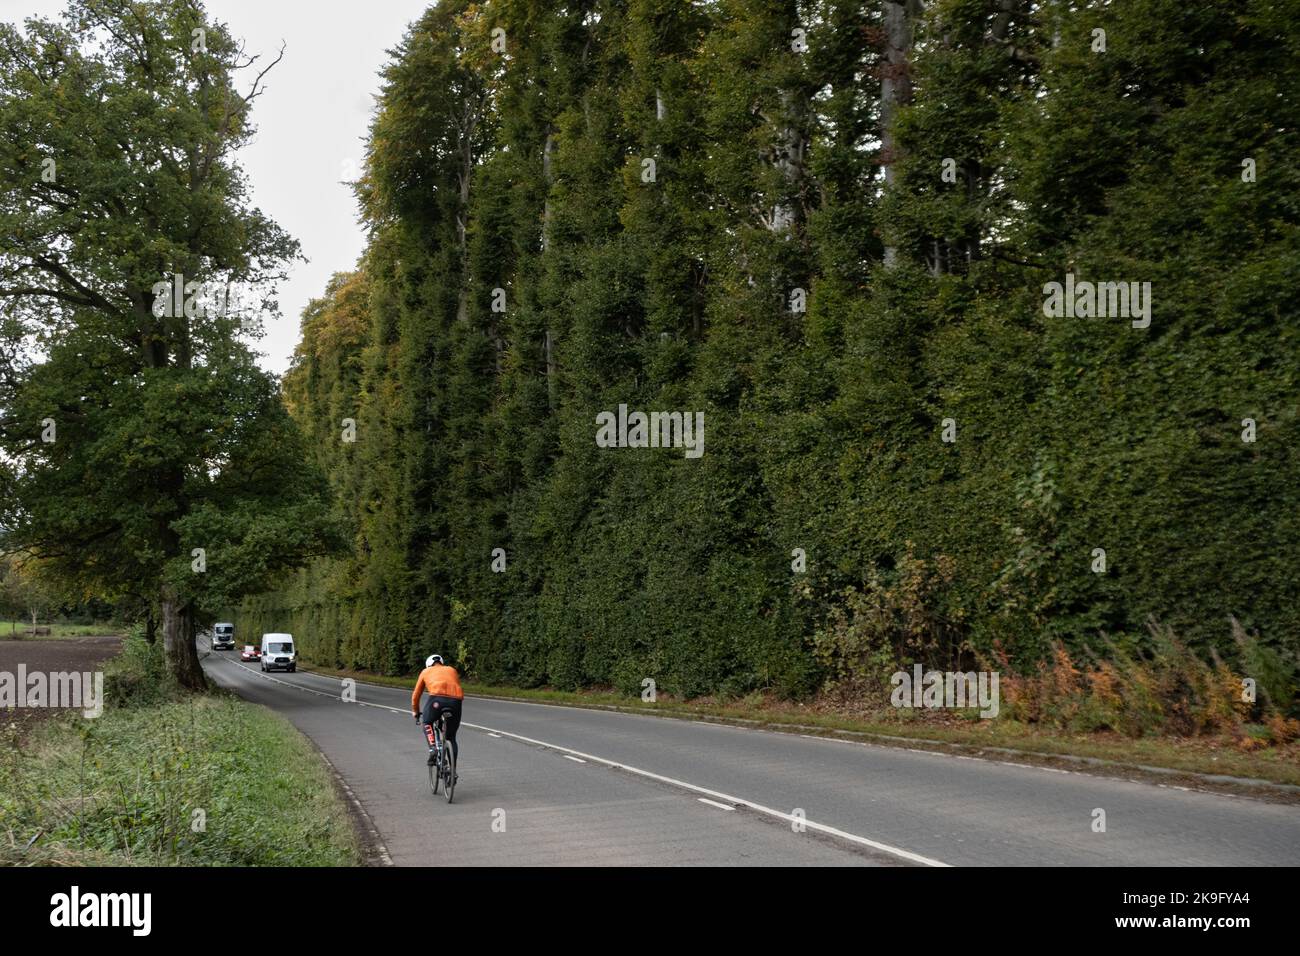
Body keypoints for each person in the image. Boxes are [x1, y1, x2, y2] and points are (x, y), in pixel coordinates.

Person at [412, 653, 464, 767]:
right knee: (451, 737)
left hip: (436, 699)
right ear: (441, 662)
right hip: (456, 701)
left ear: (428, 665)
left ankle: (433, 749)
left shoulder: (425, 671)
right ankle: (453, 771)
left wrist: (416, 711)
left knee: (427, 721)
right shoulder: (452, 670)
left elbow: (416, 695)